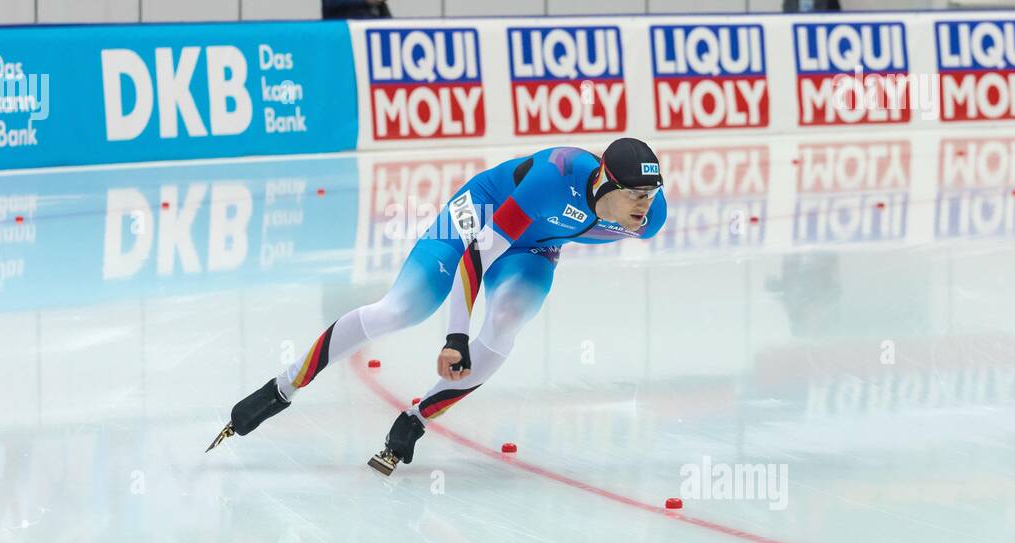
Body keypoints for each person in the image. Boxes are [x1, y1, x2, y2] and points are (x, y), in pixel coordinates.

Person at [208, 138, 669, 475]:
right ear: (604, 182)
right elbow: (477, 252)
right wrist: (455, 338)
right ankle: (282, 387)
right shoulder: (554, 178)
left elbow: (592, 224)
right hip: (482, 213)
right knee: (402, 308)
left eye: (650, 196)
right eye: (634, 196)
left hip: (535, 246)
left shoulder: (648, 221)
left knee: (507, 323)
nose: (643, 208)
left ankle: (415, 420)